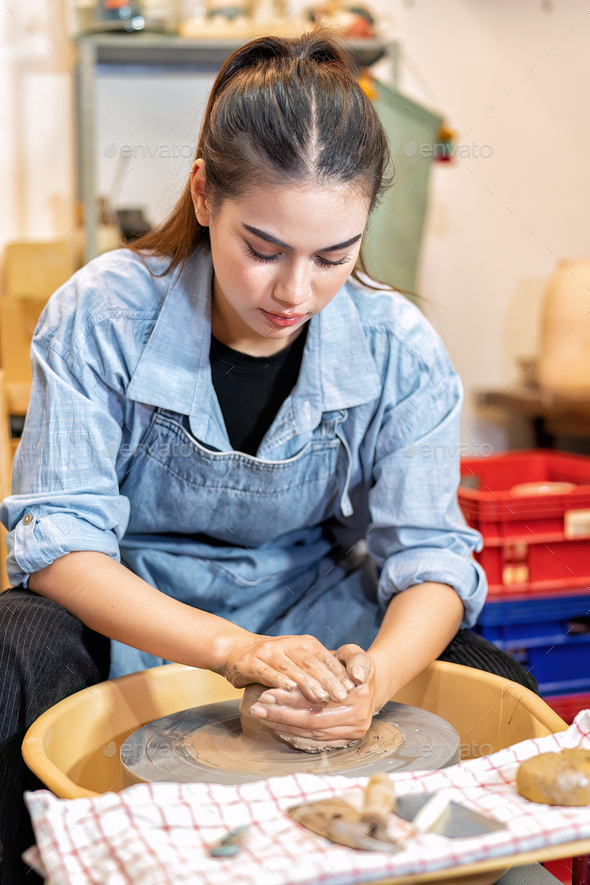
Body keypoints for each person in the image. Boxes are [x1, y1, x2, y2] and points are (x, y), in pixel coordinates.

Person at [0, 27, 536, 883]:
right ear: (205, 193)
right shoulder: (100, 312)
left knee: (504, 685)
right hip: (134, 601)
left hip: (317, 608)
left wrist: (370, 682)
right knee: (8, 659)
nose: (295, 292)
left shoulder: (400, 344)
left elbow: (433, 559)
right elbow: (59, 545)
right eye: (263, 248)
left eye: (334, 256)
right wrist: (232, 651)